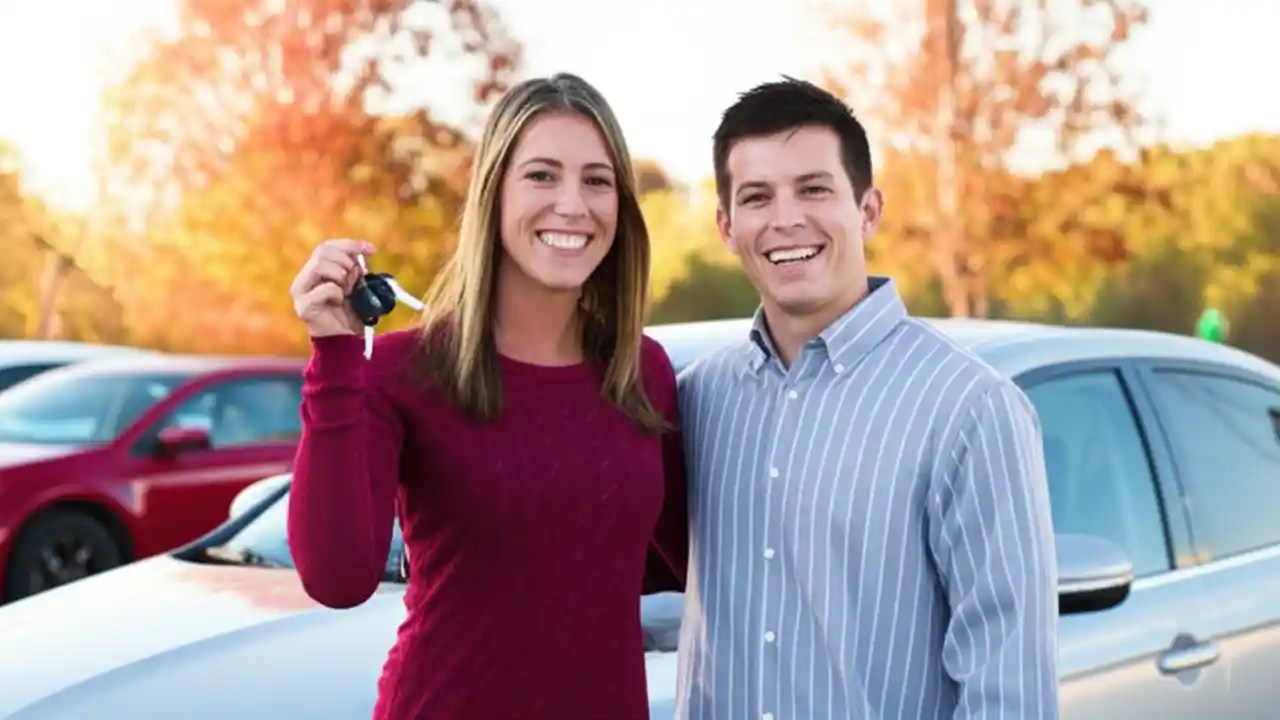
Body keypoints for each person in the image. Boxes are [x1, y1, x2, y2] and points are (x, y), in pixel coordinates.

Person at [286, 72, 687, 720]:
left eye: (597, 180)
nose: (572, 204)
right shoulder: (401, 372)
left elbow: (714, 565)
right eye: (541, 176)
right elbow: (336, 579)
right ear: (493, 195)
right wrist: (334, 354)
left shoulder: (642, 374)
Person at [673, 78, 1059, 720]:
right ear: (727, 226)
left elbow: (1009, 688)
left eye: (814, 189)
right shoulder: (695, 402)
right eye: (757, 197)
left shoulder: (969, 409)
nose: (786, 218)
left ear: (869, 209)